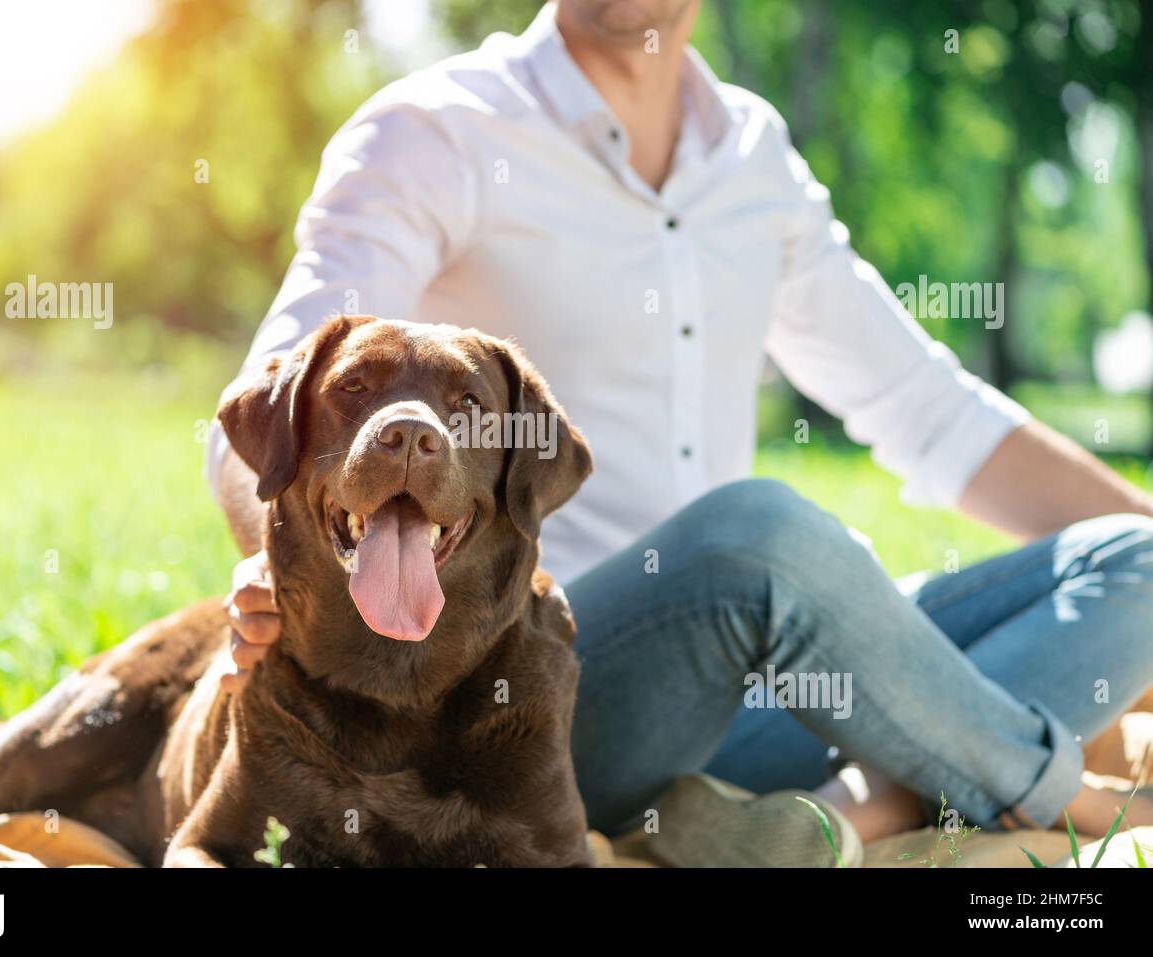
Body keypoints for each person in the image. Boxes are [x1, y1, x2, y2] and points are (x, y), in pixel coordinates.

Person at [205, 0, 1153, 862]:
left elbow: (931, 411)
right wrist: (282, 565)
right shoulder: (437, 130)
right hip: (522, 698)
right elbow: (275, 397)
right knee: (759, 536)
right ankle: (1046, 792)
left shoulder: (752, 155)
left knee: (1139, 562)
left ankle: (855, 813)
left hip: (756, 690)